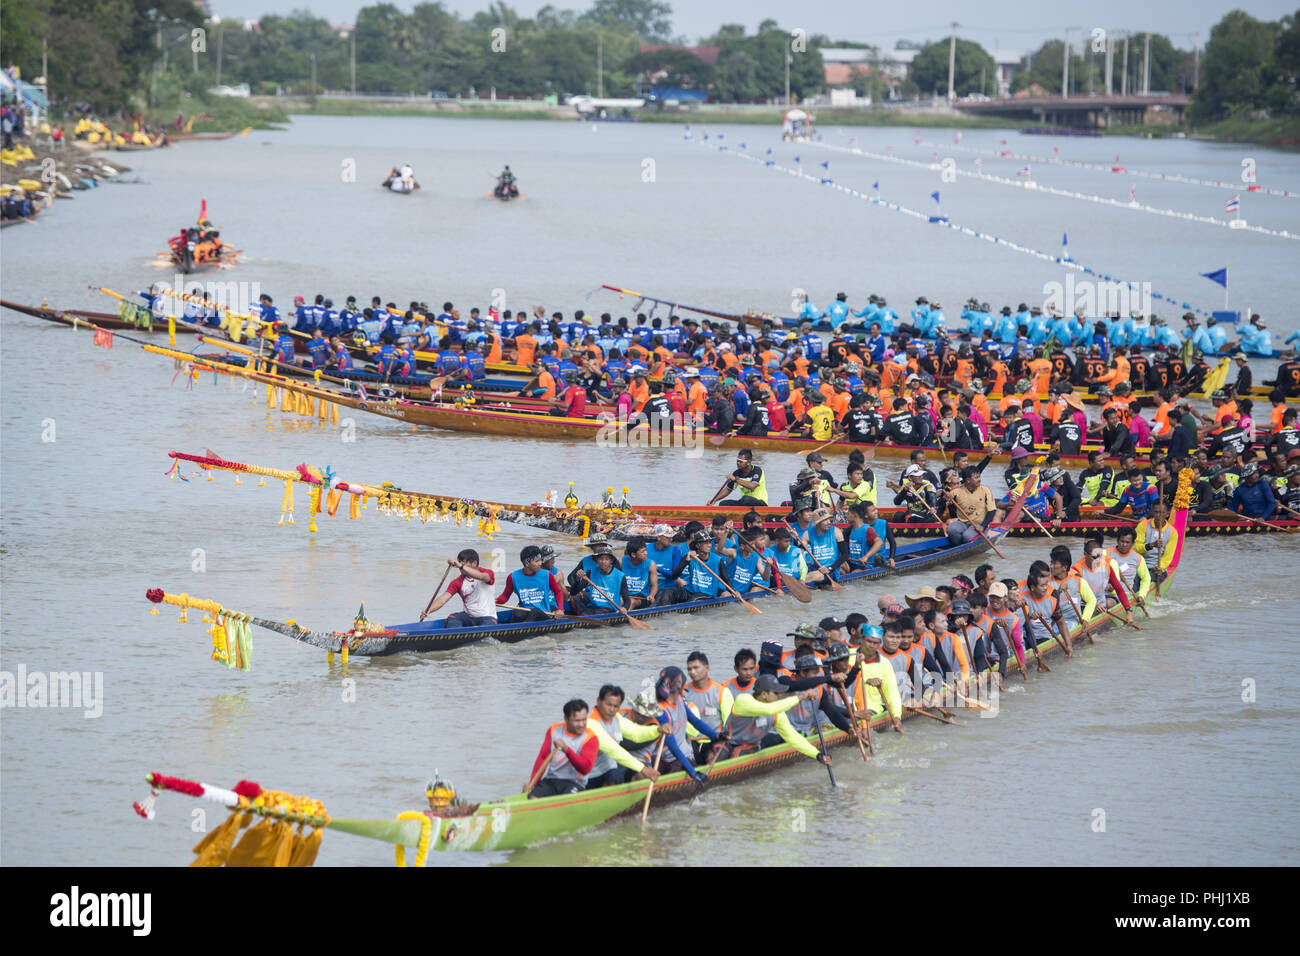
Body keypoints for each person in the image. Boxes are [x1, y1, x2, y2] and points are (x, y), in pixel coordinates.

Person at [585, 685, 665, 789]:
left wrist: (657, 730)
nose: (612, 709)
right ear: (598, 701)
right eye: (608, 704)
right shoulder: (591, 722)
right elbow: (614, 750)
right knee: (617, 770)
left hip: (607, 768)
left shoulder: (616, 718)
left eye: (615, 706)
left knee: (616, 772)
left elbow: (635, 733)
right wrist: (643, 769)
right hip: (587, 774)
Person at [525, 699, 599, 797]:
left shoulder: (591, 738)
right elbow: (542, 758)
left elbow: (585, 768)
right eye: (577, 721)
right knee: (531, 797)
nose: (582, 725)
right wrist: (532, 784)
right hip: (551, 780)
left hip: (575, 783)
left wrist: (566, 749)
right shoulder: (553, 730)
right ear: (566, 718)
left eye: (584, 720)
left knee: (565, 800)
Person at [420, 549, 498, 626]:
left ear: (474, 563)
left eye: (463, 562)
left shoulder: (487, 573)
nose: (459, 566)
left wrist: (460, 566)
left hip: (488, 617)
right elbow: (443, 599)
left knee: (488, 625)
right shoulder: (457, 582)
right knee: (452, 618)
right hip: (468, 617)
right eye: (459, 562)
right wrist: (429, 610)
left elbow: (481, 576)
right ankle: (456, 633)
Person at [496, 545, 566, 622]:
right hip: (525, 610)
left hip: (544, 612)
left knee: (535, 612)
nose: (540, 563)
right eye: (537, 561)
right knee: (516, 613)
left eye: (540, 560)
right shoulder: (513, 577)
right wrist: (494, 601)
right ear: (527, 564)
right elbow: (504, 597)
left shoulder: (547, 574)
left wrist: (560, 610)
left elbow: (558, 592)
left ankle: (521, 630)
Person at [567, 543, 632, 615]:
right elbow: (573, 592)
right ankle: (584, 615)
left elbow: (627, 600)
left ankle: (584, 615)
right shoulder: (591, 572)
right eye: (601, 559)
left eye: (606, 559)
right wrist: (578, 580)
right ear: (597, 560)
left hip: (609, 608)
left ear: (611, 561)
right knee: (575, 598)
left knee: (595, 613)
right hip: (593, 606)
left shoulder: (620, 576)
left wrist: (624, 608)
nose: (603, 562)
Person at [942, 465, 1000, 543]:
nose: (979, 479)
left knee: (967, 536)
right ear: (968, 480)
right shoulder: (956, 492)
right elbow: (942, 504)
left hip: (978, 525)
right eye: (976, 478)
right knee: (951, 530)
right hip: (962, 523)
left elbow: (992, 510)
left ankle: (965, 543)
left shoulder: (985, 490)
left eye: (979, 477)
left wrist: (983, 526)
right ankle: (959, 547)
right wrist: (944, 498)